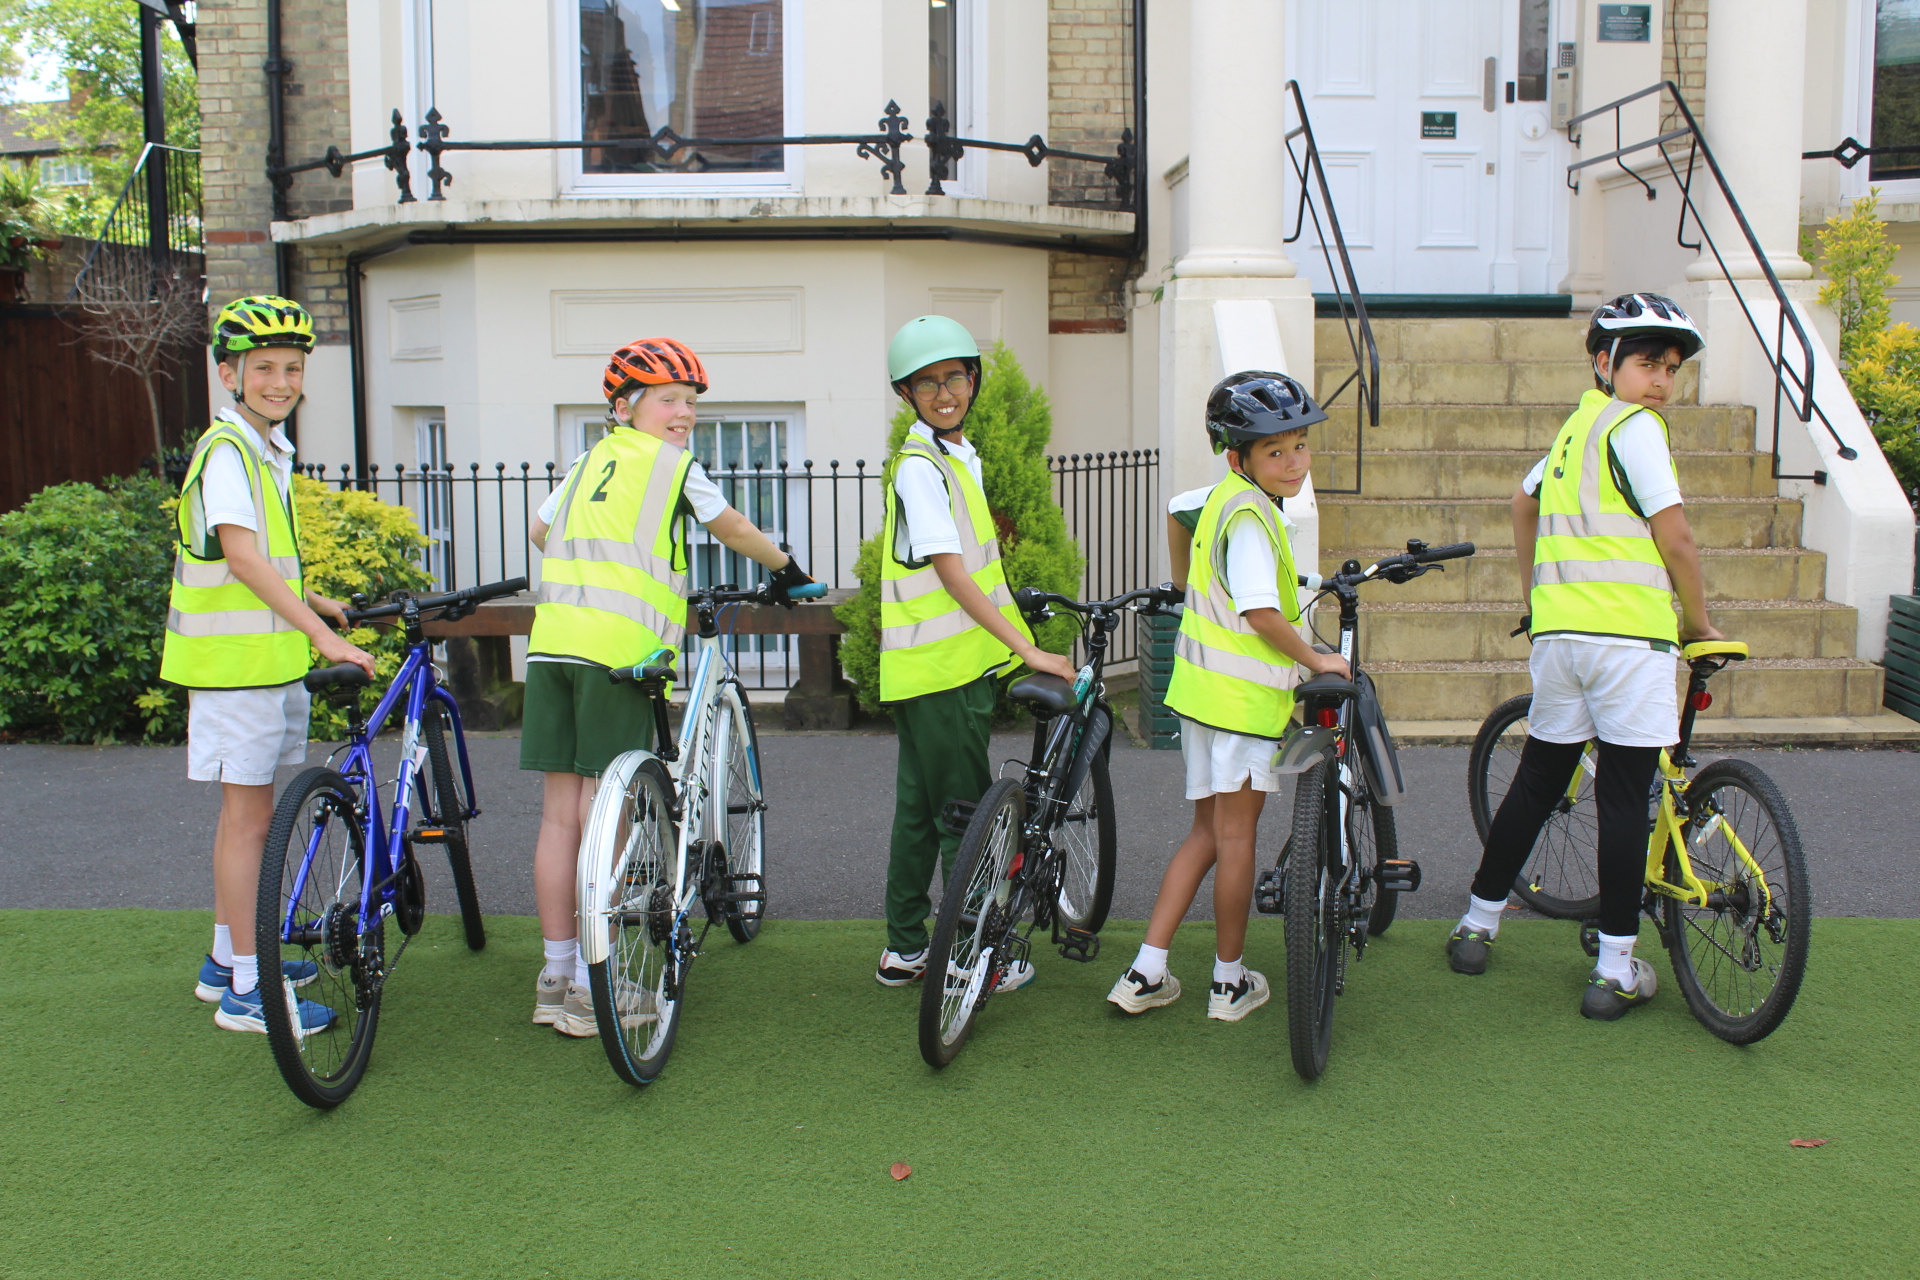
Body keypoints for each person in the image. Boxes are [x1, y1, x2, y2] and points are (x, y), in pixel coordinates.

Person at [524, 337, 814, 1037]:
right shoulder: (672, 465)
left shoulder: (588, 461)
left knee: (560, 817)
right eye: (668, 400)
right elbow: (730, 525)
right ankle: (596, 985)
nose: (684, 414)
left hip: (552, 646)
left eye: (690, 402)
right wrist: (786, 568)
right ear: (626, 407)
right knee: (608, 816)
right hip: (617, 656)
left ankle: (555, 976)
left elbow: (539, 530)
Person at [1448, 293, 1722, 1021]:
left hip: (1563, 640)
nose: (1660, 379)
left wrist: (1537, 594)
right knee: (1624, 798)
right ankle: (1613, 970)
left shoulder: (1577, 430)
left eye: (1671, 368)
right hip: (1628, 641)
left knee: (1538, 783)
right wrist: (1698, 625)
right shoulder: (1637, 428)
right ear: (1605, 363)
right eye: (1646, 363)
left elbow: (1522, 501)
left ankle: (1477, 924)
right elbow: (1676, 538)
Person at [1107, 371, 1349, 1022]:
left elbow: (1175, 512)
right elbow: (1261, 613)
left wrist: (1184, 585)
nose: (1294, 462)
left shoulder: (1222, 497)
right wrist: (1317, 659)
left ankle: (1146, 970)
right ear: (1239, 457)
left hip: (1201, 701)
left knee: (1207, 835)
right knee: (1237, 838)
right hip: (1240, 707)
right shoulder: (1250, 520)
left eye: (1300, 445)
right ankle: (1229, 982)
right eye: (1276, 451)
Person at [164, 295, 376, 1035]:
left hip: (257, 663)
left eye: (291, 368)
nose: (281, 382)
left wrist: (314, 601)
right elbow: (242, 558)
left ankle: (228, 961)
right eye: (263, 369)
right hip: (235, 668)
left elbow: (262, 559)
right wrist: (324, 638)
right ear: (229, 374)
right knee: (250, 824)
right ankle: (248, 993)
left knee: (244, 819)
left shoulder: (261, 449)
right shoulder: (228, 451)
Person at [872, 316, 1076, 989]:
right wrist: (1028, 650)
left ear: (974, 379)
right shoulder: (922, 469)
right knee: (964, 817)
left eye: (954, 377)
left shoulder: (953, 459)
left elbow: (978, 572)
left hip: (930, 670)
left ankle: (906, 946)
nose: (944, 393)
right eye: (927, 383)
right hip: (944, 673)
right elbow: (954, 575)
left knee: (920, 811)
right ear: (906, 394)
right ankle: (970, 957)